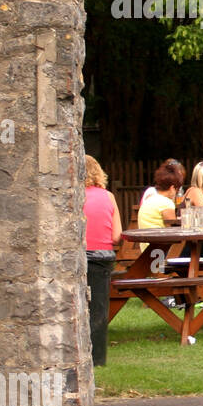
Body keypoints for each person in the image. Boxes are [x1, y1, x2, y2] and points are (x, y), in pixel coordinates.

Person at [83, 155, 122, 368]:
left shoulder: (73, 197)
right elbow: (117, 236)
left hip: (80, 256)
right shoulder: (108, 196)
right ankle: (97, 359)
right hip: (103, 257)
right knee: (98, 310)